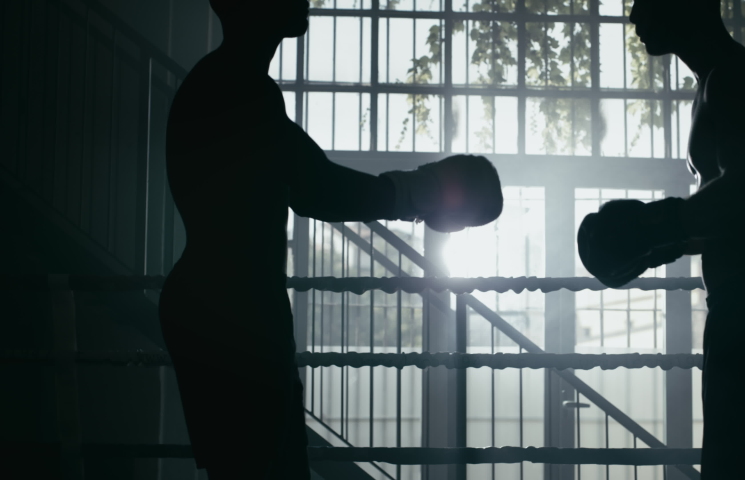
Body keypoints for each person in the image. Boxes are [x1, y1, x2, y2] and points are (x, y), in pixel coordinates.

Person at [159, 0, 503, 477]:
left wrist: (423, 191)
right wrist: (426, 191)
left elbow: (312, 185)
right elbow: (318, 189)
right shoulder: (236, 89)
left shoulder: (232, 84)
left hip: (225, 303)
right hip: (232, 311)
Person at [576, 0, 745, 477]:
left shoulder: (740, 77)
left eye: (645, 0)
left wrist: (652, 228)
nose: (634, 15)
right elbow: (732, 218)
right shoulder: (714, 83)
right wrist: (654, 244)